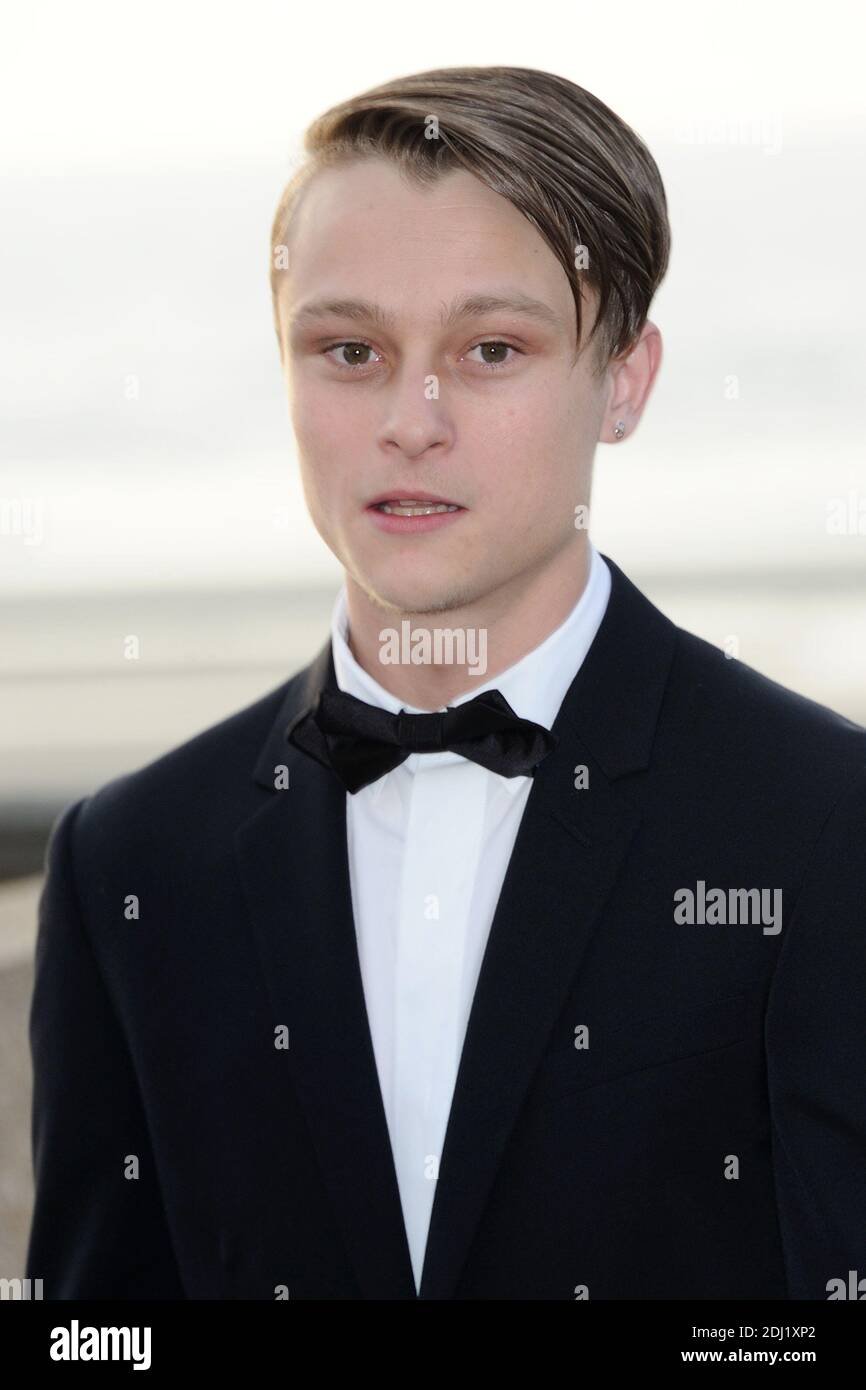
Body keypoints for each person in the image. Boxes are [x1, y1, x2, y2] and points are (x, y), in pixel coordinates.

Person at [27, 65, 866, 1300]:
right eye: (350, 348)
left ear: (622, 380)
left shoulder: (822, 821)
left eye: (488, 348)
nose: (410, 419)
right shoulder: (131, 859)